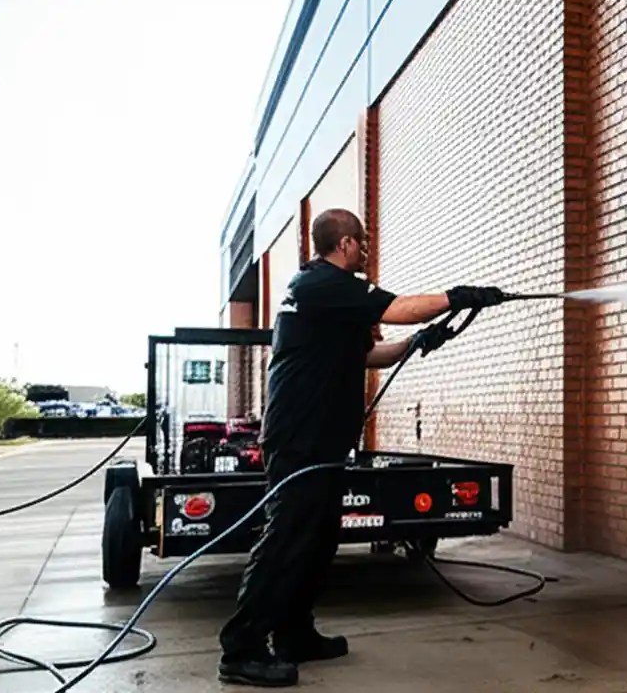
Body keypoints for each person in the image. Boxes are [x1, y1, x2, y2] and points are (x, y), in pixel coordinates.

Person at [216, 208, 505, 687]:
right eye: (363, 242)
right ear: (345, 244)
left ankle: (294, 632)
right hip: (299, 441)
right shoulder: (323, 285)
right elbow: (399, 306)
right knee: (287, 538)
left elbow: (370, 355)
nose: (366, 250)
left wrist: (418, 343)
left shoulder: (322, 297)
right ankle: (241, 647)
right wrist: (460, 296)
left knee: (319, 536)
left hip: (321, 441)